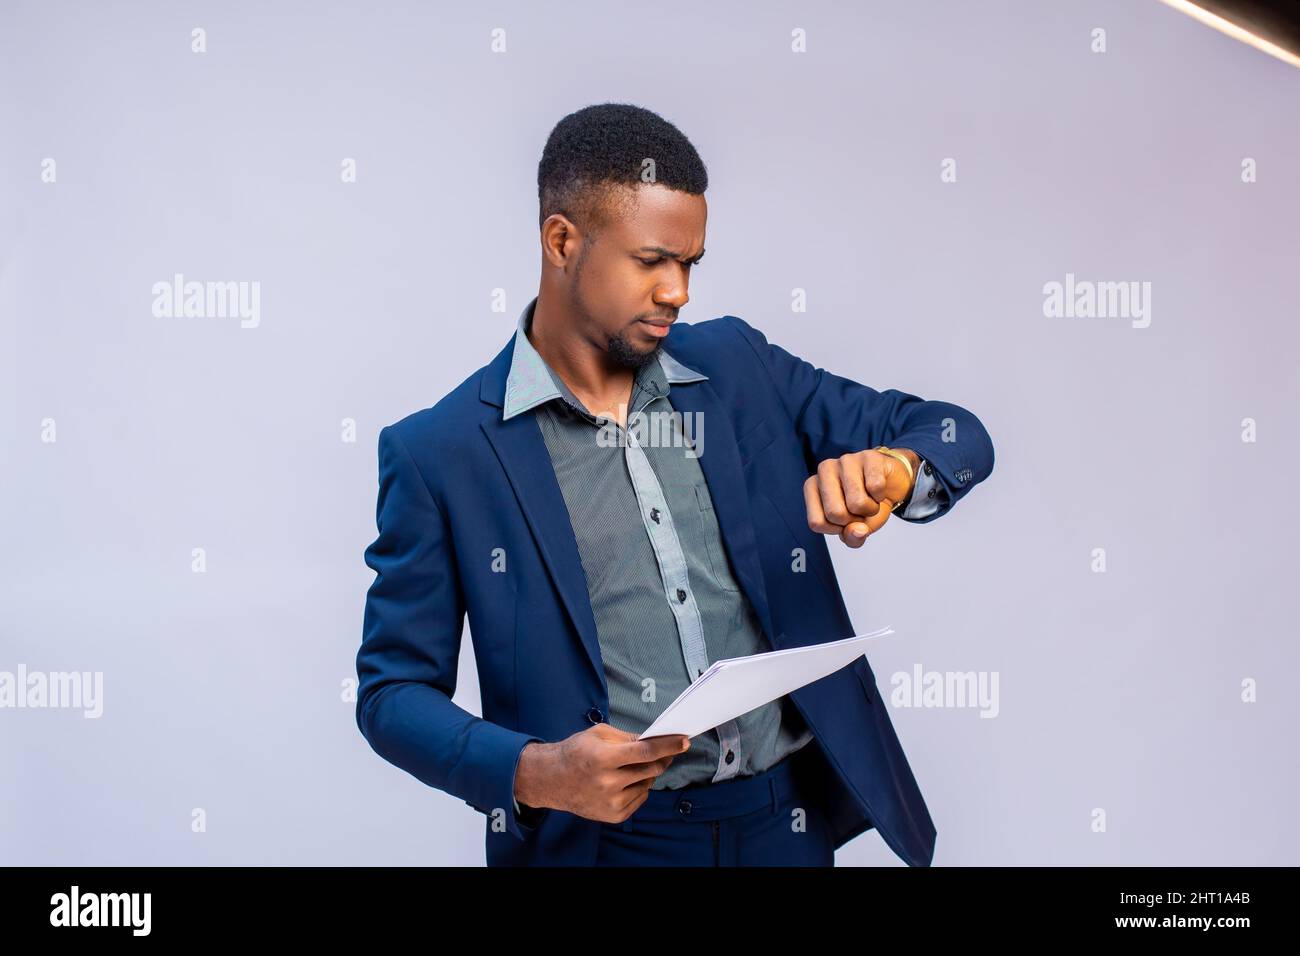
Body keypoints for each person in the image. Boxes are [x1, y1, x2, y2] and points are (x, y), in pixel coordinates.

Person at [355, 102, 995, 866]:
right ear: (562, 241)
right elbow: (391, 695)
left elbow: (954, 432)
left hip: (783, 826)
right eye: (651, 260)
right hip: (605, 848)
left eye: (689, 263)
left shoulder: (739, 368)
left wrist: (895, 468)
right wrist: (535, 773)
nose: (678, 292)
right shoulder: (441, 451)